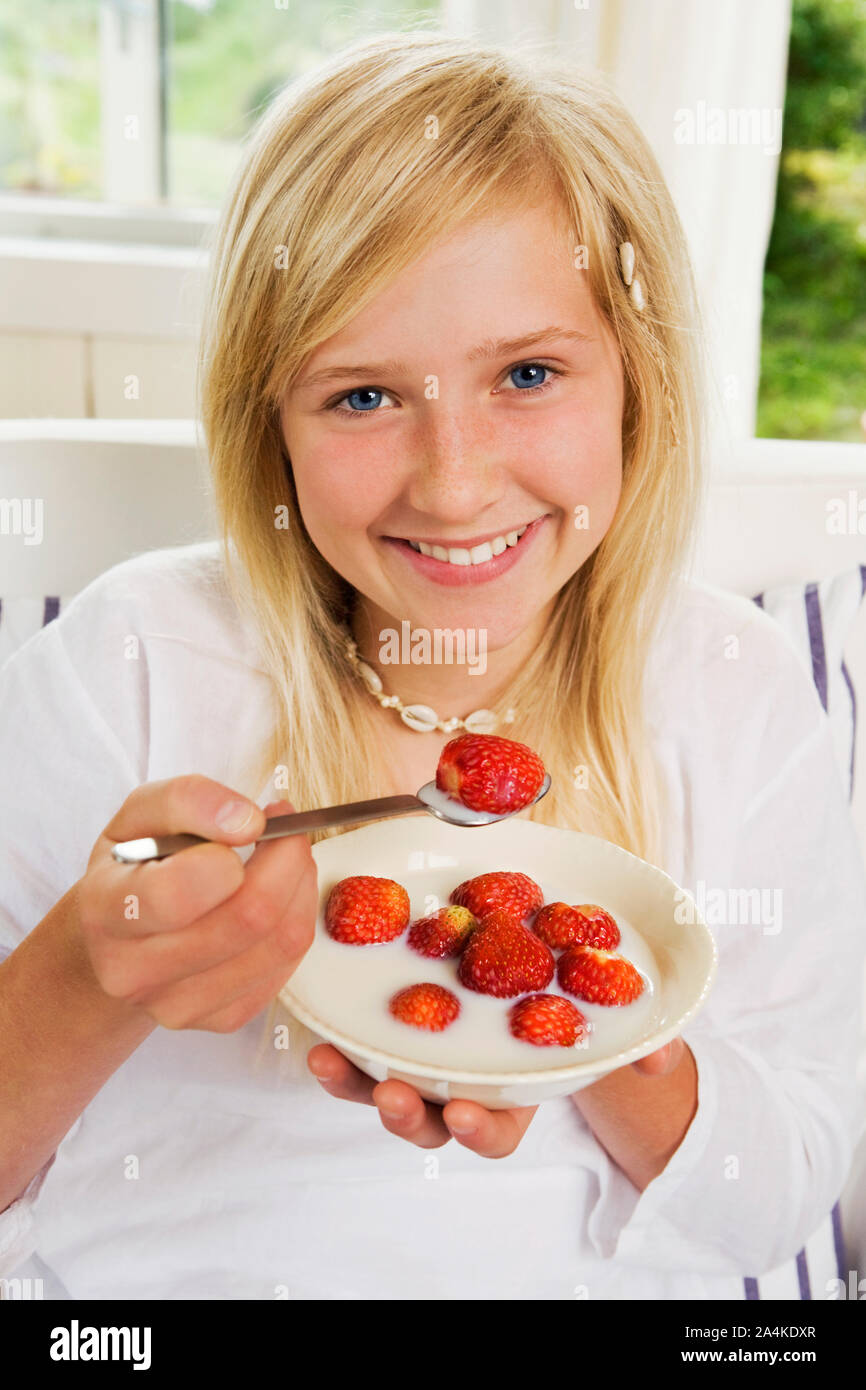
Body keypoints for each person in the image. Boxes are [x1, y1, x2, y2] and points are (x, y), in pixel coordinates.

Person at [1, 29, 864, 1302]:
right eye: (361, 396)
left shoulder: (738, 699)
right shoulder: (129, 667)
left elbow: (778, 1201)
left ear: (638, 382)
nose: (454, 482)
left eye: (526, 373)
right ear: (268, 428)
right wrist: (87, 970)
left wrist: (593, 1031)